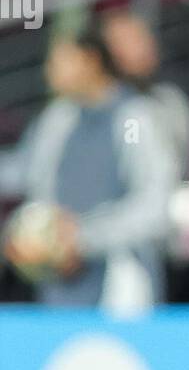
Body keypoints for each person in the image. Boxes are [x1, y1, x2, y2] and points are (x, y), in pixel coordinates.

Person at [0, 25, 174, 308]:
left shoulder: (135, 117)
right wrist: (39, 237)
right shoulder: (58, 118)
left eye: (60, 61)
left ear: (90, 60)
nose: (50, 71)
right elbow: (30, 176)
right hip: (61, 278)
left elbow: (155, 204)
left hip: (121, 280)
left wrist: (83, 237)